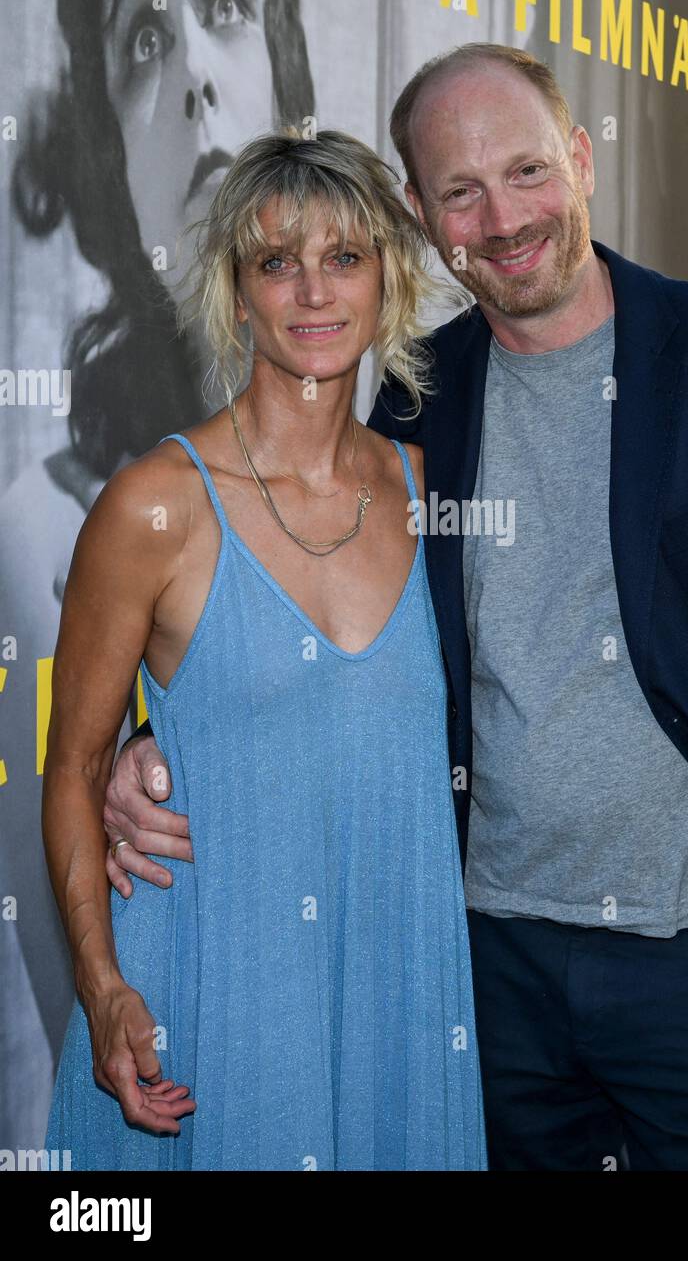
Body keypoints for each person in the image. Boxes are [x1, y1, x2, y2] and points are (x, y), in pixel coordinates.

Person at [103, 44, 688, 1172]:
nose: (502, 218)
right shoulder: (416, 399)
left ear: (579, 160)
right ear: (421, 217)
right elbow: (321, 614)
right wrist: (148, 741)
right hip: (488, 972)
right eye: (460, 192)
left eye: (527, 172)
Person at [41, 128, 486, 1170]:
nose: (313, 292)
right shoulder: (157, 505)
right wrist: (103, 987)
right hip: (204, 994)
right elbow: (73, 768)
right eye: (276, 261)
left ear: (388, 281)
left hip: (393, 1001)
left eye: (344, 258)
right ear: (237, 294)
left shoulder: (432, 491)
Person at [1, 0, 315, 1147]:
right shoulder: (42, 534)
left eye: (224, 1)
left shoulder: (405, 461)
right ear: (106, 154)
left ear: (288, 89)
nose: (191, 68)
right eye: (142, 32)